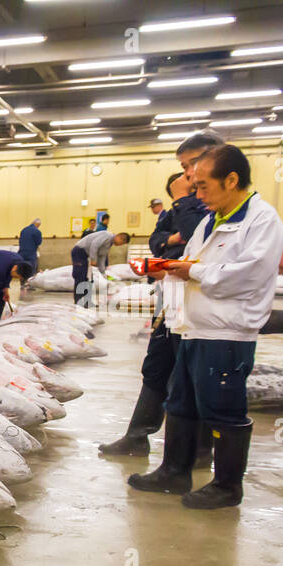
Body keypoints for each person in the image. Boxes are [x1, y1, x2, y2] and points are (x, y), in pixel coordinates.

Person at [129, 144, 283, 509]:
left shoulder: (261, 220)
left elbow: (248, 276)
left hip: (226, 334)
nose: (198, 195)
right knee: (180, 402)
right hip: (193, 329)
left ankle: (228, 487)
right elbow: (191, 260)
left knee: (223, 409)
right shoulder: (210, 220)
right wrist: (167, 267)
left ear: (232, 180)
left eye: (203, 186)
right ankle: (173, 472)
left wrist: (191, 270)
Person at [99, 131, 223, 457]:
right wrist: (172, 240)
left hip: (197, 306)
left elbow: (197, 236)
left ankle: (196, 450)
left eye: (191, 166)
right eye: (184, 168)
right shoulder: (175, 212)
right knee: (156, 368)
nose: (188, 174)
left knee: (189, 377)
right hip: (170, 303)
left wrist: (183, 202)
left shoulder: (215, 206)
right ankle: (137, 437)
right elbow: (157, 241)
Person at [71, 229, 129, 304]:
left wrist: (103, 273)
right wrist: (93, 259)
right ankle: (78, 301)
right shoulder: (107, 235)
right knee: (80, 276)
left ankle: (85, 300)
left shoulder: (109, 244)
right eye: (122, 242)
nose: (120, 245)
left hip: (85, 255)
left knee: (86, 278)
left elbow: (102, 257)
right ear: (119, 237)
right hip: (79, 251)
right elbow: (94, 244)